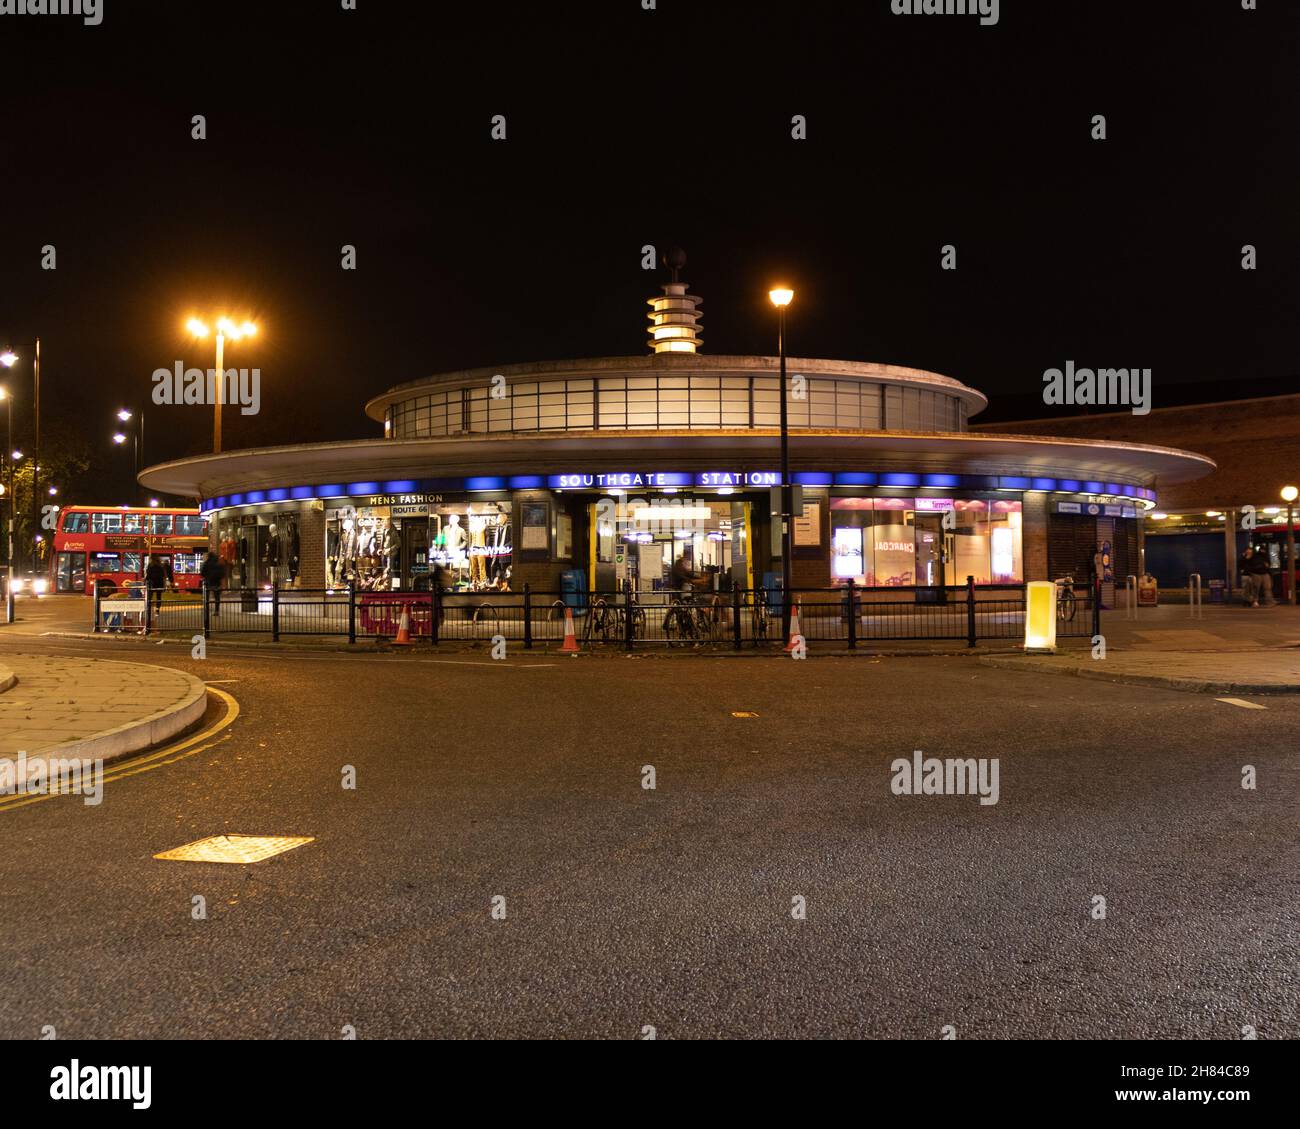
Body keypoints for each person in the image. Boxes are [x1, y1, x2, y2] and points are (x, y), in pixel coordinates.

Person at [200, 550, 225, 618]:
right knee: (217, 598)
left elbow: (202, 573)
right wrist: (222, 584)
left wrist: (206, 576)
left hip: (208, 583)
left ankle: (206, 611)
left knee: (206, 598)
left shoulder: (206, 563)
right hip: (217, 583)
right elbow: (222, 574)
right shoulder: (218, 564)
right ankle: (216, 611)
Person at [144, 555, 167, 622]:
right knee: (158, 597)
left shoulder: (150, 566)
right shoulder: (161, 566)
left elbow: (148, 575)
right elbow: (164, 576)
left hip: (152, 584)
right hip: (159, 584)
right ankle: (157, 610)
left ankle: (149, 609)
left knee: (149, 597)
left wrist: (145, 581)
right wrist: (164, 585)